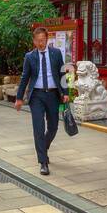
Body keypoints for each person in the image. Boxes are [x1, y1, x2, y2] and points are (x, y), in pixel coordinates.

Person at [15, 26, 69, 176]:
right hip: (36, 96)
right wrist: (19, 98)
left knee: (53, 127)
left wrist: (66, 92)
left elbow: (62, 72)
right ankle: (43, 162)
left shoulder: (56, 54)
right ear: (34, 41)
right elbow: (25, 77)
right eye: (38, 41)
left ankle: (43, 147)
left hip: (53, 95)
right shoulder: (30, 56)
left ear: (47, 39)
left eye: (43, 40)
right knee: (38, 128)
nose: (41, 43)